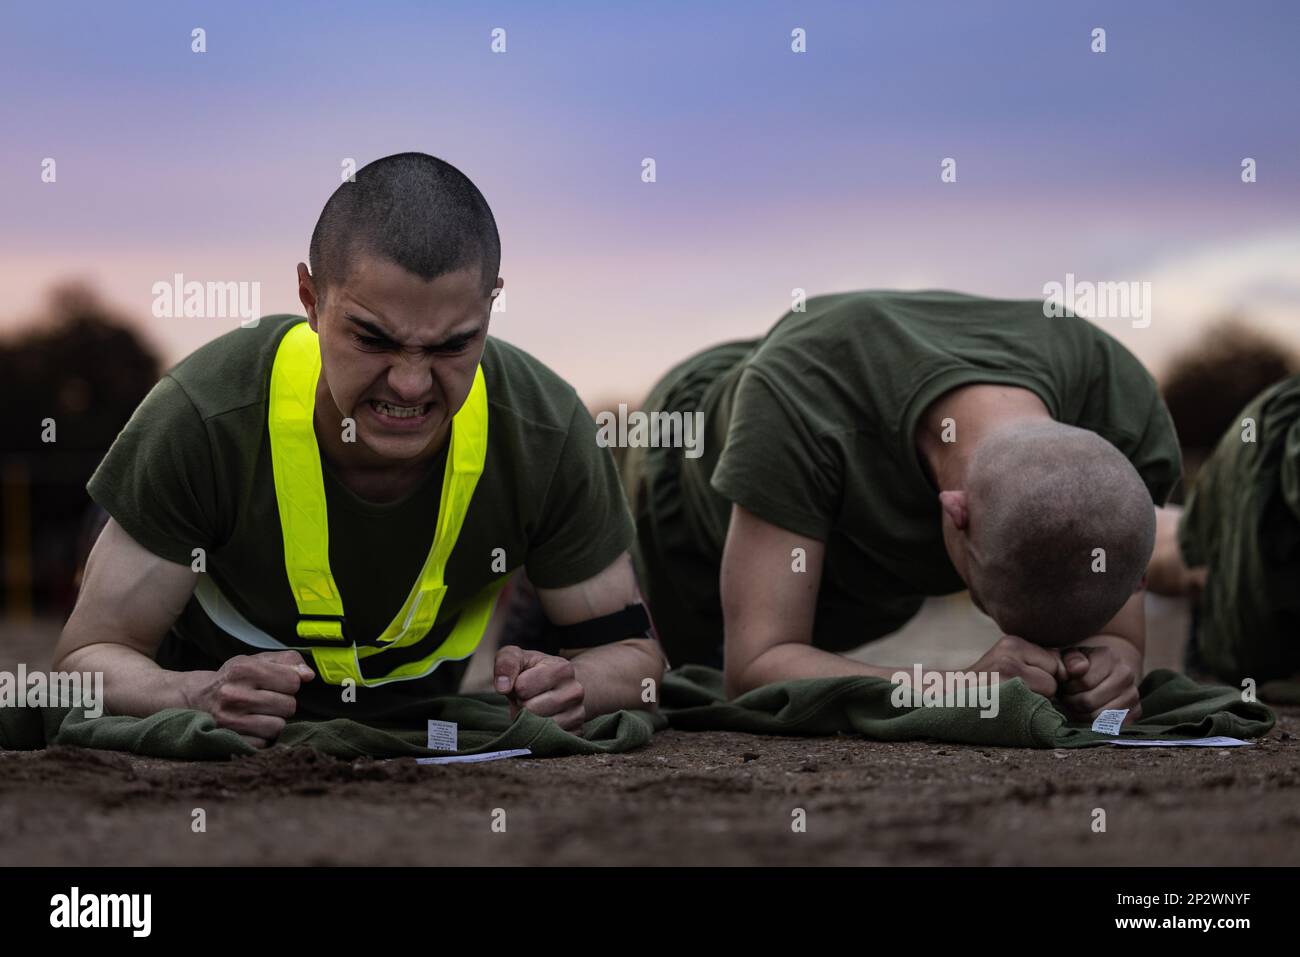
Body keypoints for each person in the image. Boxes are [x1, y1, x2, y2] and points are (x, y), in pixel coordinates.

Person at [54, 153, 664, 747]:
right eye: (373, 339)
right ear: (310, 299)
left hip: (431, 719)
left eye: (453, 345)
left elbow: (635, 661)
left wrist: (574, 684)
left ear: (491, 302)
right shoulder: (202, 415)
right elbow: (84, 658)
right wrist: (196, 696)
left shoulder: (547, 429)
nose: (410, 383)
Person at [625, 290, 1182, 724]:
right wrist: (955, 689)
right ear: (955, 512)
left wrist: (1115, 659)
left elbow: (1104, 605)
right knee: (661, 679)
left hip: (859, 518)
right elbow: (753, 670)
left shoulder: (1119, 404)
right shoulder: (798, 405)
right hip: (692, 479)